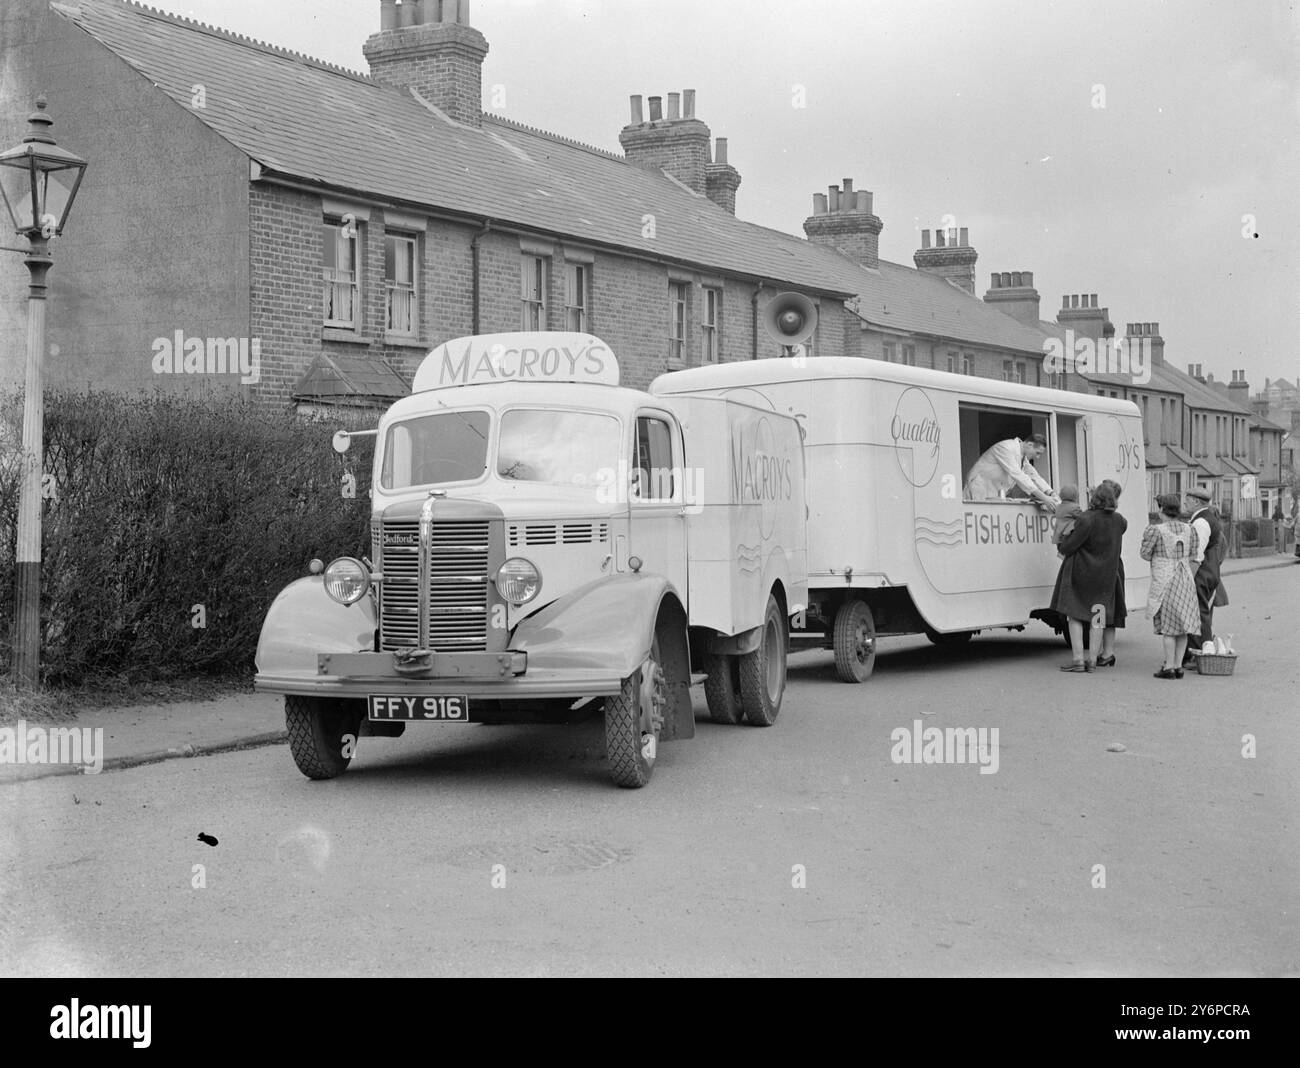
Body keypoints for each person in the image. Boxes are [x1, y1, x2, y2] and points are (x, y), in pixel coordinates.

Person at [1051, 483, 1126, 672]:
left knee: (1075, 616)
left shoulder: (1086, 519)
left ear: (1095, 498)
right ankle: (1092, 660)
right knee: (1097, 619)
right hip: (1105, 578)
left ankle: (1078, 660)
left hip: (1082, 575)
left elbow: (1069, 546)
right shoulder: (1120, 521)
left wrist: (1062, 543)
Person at [1140, 493, 1201, 679]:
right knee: (1182, 626)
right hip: (1185, 579)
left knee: (1168, 627)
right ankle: (1178, 666)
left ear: (1161, 509)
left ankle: (1169, 667)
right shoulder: (1190, 529)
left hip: (1165, 580)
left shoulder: (1155, 530)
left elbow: (1144, 553)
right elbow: (1193, 553)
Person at [1181, 486, 1228, 667]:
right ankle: (1196, 650)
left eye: (1188, 499)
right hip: (1209, 572)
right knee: (1200, 612)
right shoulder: (1206, 519)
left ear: (1196, 501)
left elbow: (1197, 555)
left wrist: (1188, 578)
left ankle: (1198, 653)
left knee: (1199, 613)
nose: (1185, 502)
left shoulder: (1201, 522)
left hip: (1202, 573)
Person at [963, 432, 1060, 508]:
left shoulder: (1023, 457)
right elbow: (1019, 477)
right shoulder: (1006, 448)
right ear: (1030, 444)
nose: (1037, 457)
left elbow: (1034, 476)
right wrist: (1044, 498)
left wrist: (1051, 493)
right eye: (1037, 453)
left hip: (992, 494)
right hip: (978, 489)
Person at [1052, 484, 1083, 551]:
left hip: (1058, 536)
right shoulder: (1074, 507)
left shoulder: (1059, 507)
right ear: (1075, 496)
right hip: (1068, 535)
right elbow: (1083, 518)